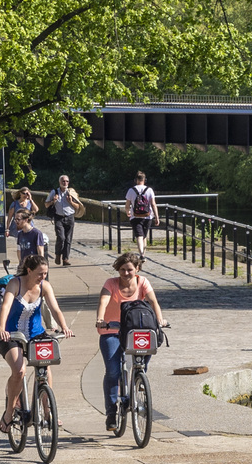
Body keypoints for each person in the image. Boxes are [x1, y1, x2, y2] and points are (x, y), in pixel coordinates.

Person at [0, 254, 73, 434]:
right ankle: (9, 412)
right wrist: (2, 328)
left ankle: (47, 411)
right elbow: (5, 306)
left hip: (36, 333)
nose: (42, 277)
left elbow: (55, 308)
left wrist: (64, 327)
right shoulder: (15, 283)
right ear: (29, 271)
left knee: (46, 367)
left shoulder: (45, 286)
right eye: (39, 273)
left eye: (45, 273)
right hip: (11, 333)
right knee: (20, 370)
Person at [93, 252, 165, 430]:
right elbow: (103, 301)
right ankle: (111, 412)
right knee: (113, 371)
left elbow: (153, 302)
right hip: (111, 330)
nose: (126, 273)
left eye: (130, 270)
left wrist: (160, 320)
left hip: (135, 331)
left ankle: (138, 380)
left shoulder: (143, 282)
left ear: (137, 269)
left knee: (145, 355)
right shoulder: (111, 283)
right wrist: (101, 319)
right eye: (122, 270)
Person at [44, 174, 82, 265]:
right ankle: (57, 255)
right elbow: (46, 204)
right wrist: (53, 201)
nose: (65, 183)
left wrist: (71, 202)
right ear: (59, 182)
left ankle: (65, 259)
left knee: (68, 239)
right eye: (63, 181)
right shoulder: (54, 192)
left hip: (70, 217)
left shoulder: (71, 192)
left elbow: (78, 206)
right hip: (59, 217)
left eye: (67, 181)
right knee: (61, 237)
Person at [123, 171, 158, 256]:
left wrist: (128, 212)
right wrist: (157, 217)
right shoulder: (149, 190)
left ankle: (141, 254)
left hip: (135, 216)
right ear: (144, 180)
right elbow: (153, 204)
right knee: (144, 237)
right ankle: (143, 255)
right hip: (148, 216)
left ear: (136, 180)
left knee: (139, 236)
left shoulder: (131, 190)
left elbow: (127, 205)